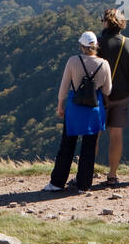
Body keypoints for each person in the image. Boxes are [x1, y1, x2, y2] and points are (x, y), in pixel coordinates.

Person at [43, 31, 112, 193]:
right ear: (96, 46)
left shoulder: (73, 61)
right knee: (89, 146)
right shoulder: (104, 64)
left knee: (67, 145)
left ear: (81, 46)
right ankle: (84, 185)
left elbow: (64, 85)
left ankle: (57, 183)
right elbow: (108, 90)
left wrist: (60, 105)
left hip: (75, 108)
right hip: (95, 109)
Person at [97, 8, 129, 184]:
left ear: (106, 22)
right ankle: (112, 175)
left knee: (94, 135)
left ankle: (87, 172)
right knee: (116, 135)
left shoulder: (97, 44)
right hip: (121, 96)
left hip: (98, 96)